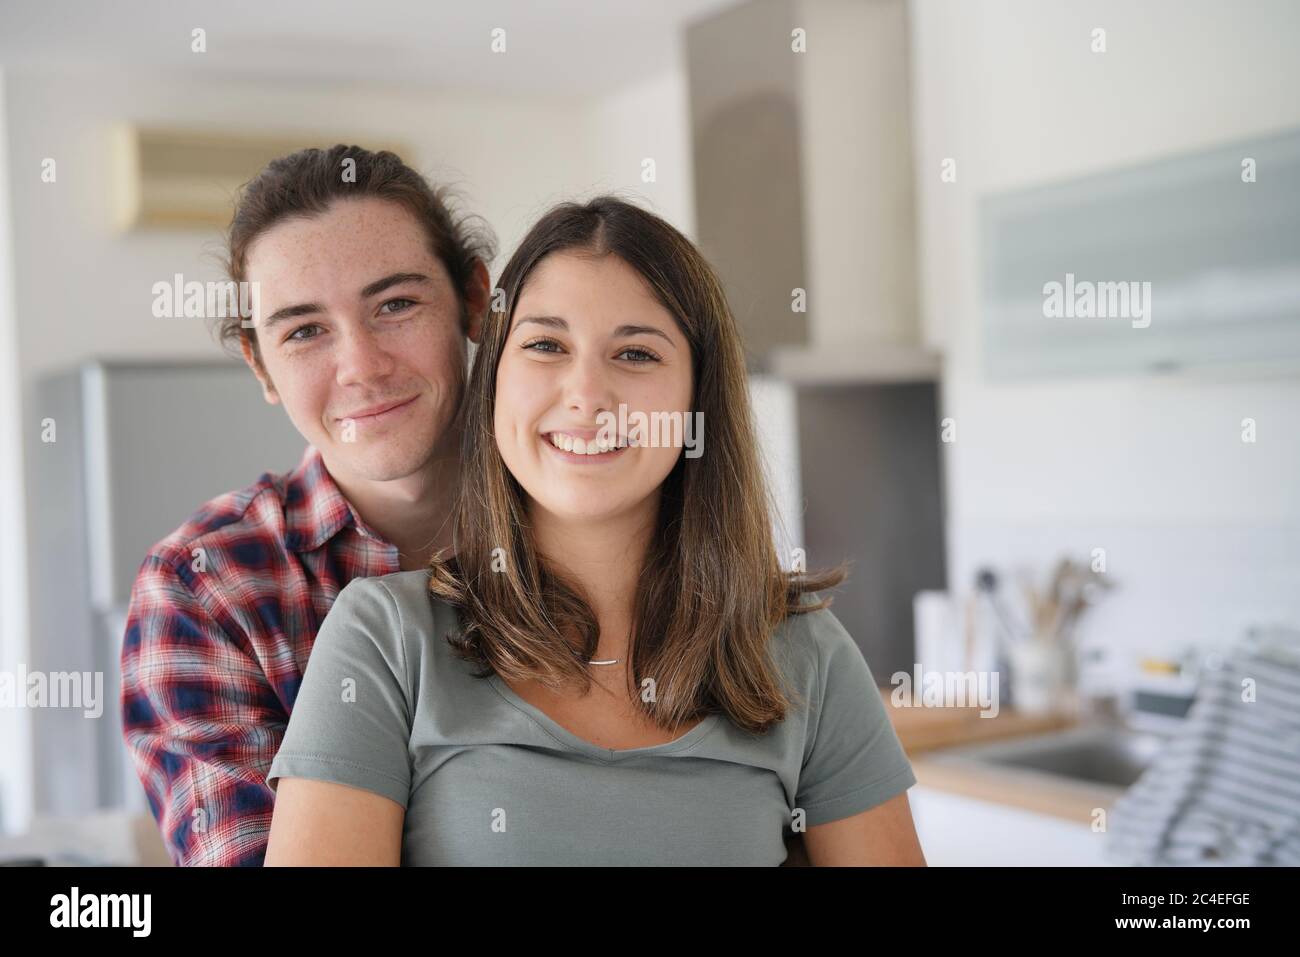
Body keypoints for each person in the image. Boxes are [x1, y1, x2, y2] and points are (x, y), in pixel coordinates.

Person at [264, 196, 927, 865]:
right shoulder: (384, 640)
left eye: (636, 353)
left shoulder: (803, 650)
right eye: (546, 345)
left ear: (698, 398)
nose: (585, 394)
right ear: (495, 377)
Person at [119, 145, 493, 866]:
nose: (362, 366)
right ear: (260, 364)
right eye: (304, 330)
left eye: (396, 304)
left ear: (473, 301)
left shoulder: (597, 520)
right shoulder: (205, 588)